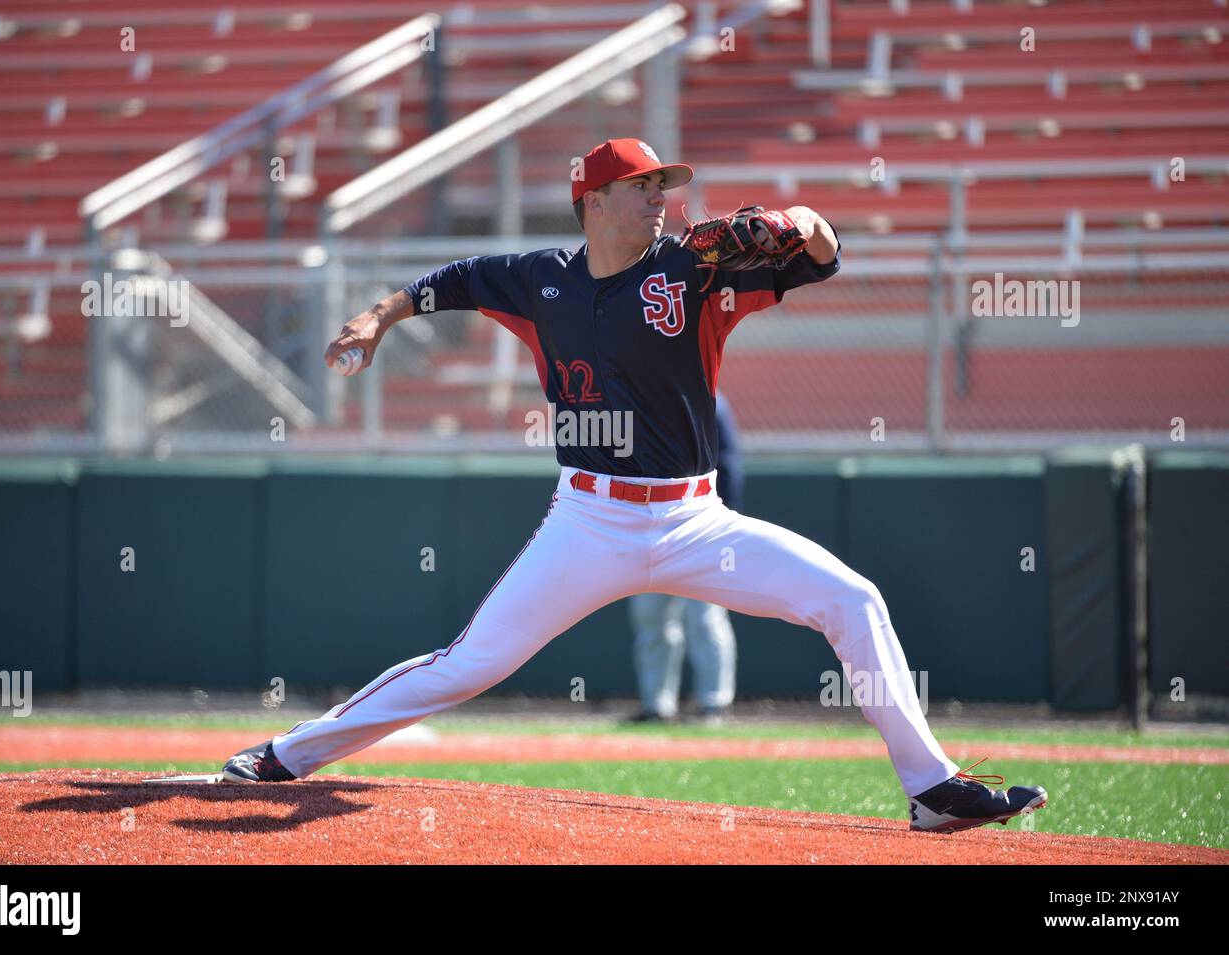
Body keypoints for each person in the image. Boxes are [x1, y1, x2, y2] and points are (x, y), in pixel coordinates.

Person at [221, 138, 1048, 833]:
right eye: (641, 186)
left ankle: (931, 787)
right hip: (588, 522)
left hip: (698, 522)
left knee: (854, 598)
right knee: (467, 664)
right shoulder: (540, 277)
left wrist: (804, 223)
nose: (660, 197)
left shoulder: (694, 271)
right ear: (592, 201)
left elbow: (823, 263)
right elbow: (455, 279)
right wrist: (376, 318)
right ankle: (286, 753)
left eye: (664, 185)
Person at [625, 392, 741, 725]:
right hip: (650, 528)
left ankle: (714, 705)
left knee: (704, 617)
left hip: (700, 525)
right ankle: (656, 706)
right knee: (652, 619)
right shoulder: (638, 397)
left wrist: (724, 521)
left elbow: (730, 464)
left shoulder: (710, 400)